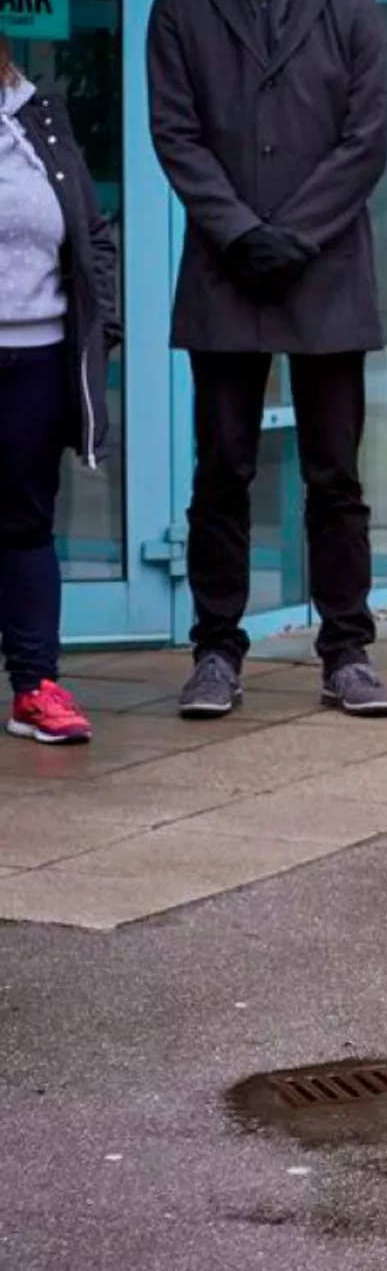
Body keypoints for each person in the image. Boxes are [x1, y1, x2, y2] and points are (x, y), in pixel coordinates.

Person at [147, 0, 387, 721]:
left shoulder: (353, 6)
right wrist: (241, 232)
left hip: (325, 275)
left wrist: (292, 235)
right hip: (225, 275)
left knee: (336, 475)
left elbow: (367, 139)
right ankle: (216, 650)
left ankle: (348, 650)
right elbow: (175, 132)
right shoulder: (181, 3)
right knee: (223, 469)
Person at [0, 37, 120, 747]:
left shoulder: (39, 115)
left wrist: (100, 330)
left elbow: (90, 233)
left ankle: (35, 687)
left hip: (39, 355)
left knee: (24, 523)